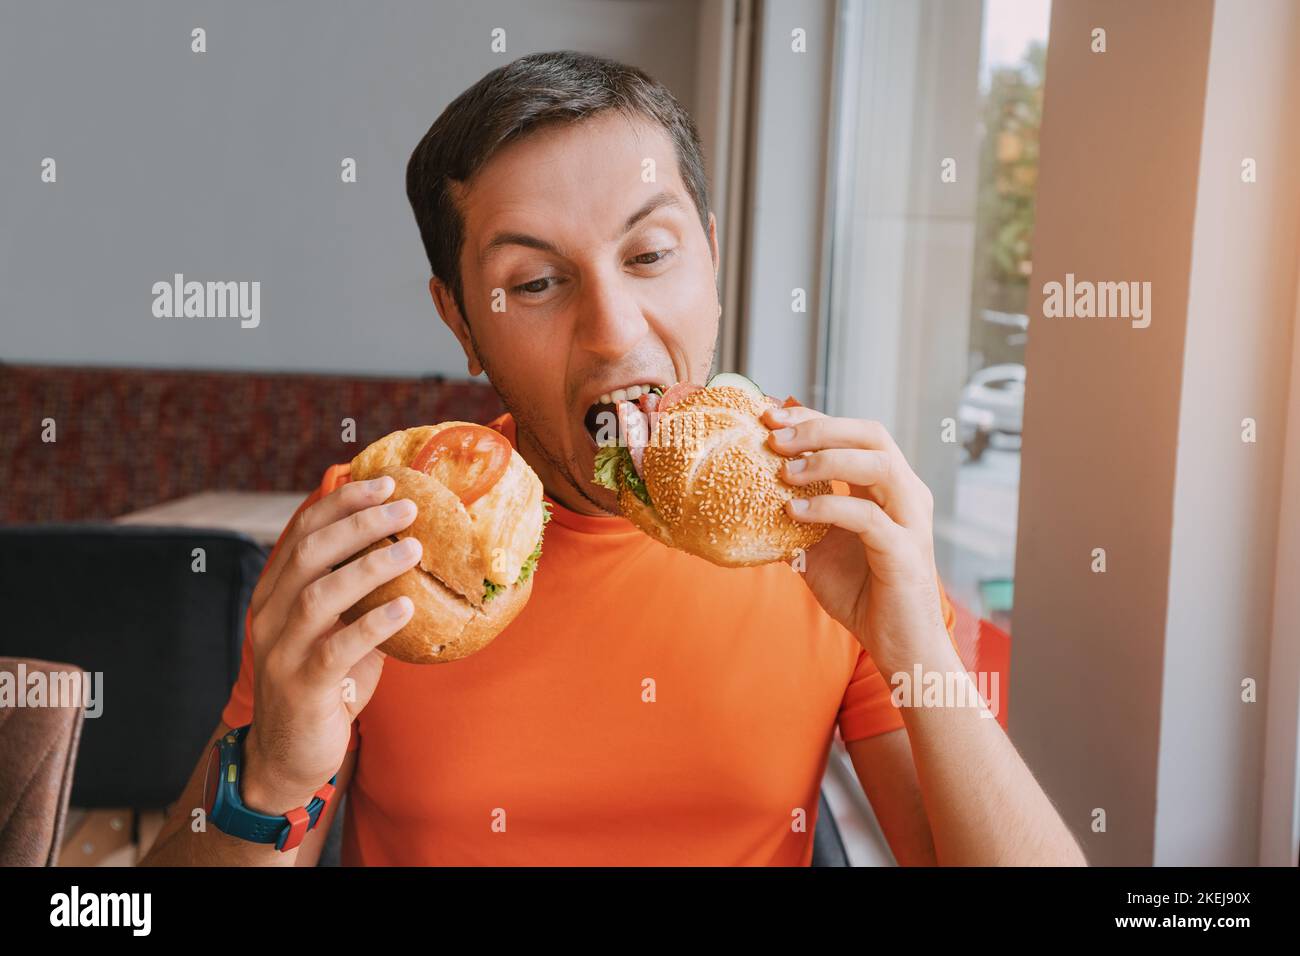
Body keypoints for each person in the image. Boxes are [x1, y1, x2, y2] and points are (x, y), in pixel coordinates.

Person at [143, 50, 1085, 866]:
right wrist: (267, 776)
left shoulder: (831, 512)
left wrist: (918, 644)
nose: (612, 330)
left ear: (712, 265)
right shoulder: (379, 527)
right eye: (538, 283)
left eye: (650, 255)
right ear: (462, 323)